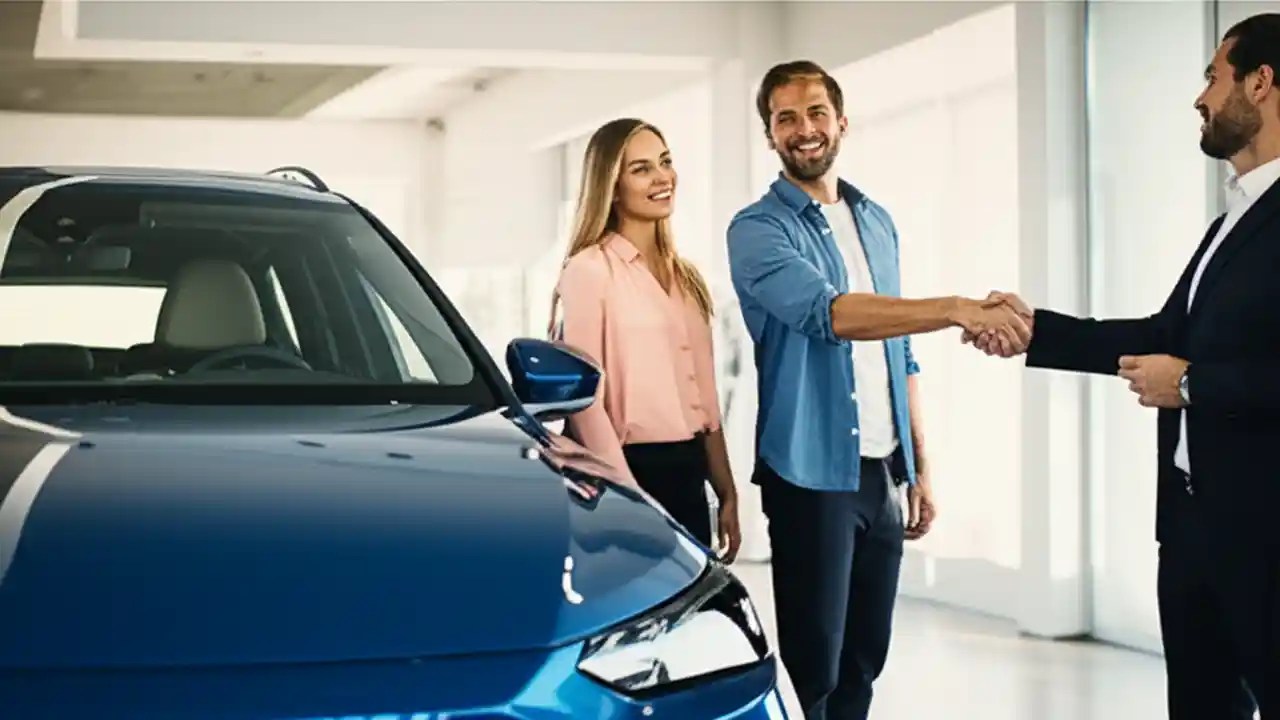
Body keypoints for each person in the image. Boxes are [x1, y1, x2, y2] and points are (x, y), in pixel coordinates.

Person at [969, 14, 1280, 719]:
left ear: (1261, 84)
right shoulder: (1228, 223)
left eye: (1213, 76)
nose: (1199, 98)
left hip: (1265, 539)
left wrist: (1194, 384)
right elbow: (1163, 335)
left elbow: (1192, 365)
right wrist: (1031, 331)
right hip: (1194, 533)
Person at [725, 60, 1030, 720]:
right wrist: (954, 306)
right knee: (816, 667)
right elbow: (830, 314)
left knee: (866, 659)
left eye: (814, 113)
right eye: (785, 118)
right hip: (810, 473)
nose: (803, 129)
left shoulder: (876, 220)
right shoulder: (757, 229)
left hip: (879, 476)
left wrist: (918, 468)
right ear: (770, 135)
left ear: (840, 122)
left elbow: (900, 354)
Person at [550, 117, 742, 562]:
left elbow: (705, 397)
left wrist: (725, 488)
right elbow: (584, 401)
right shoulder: (589, 271)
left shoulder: (686, 278)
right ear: (611, 187)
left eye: (666, 162)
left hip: (689, 476)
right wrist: (628, 496)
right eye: (641, 169)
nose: (662, 177)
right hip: (627, 477)